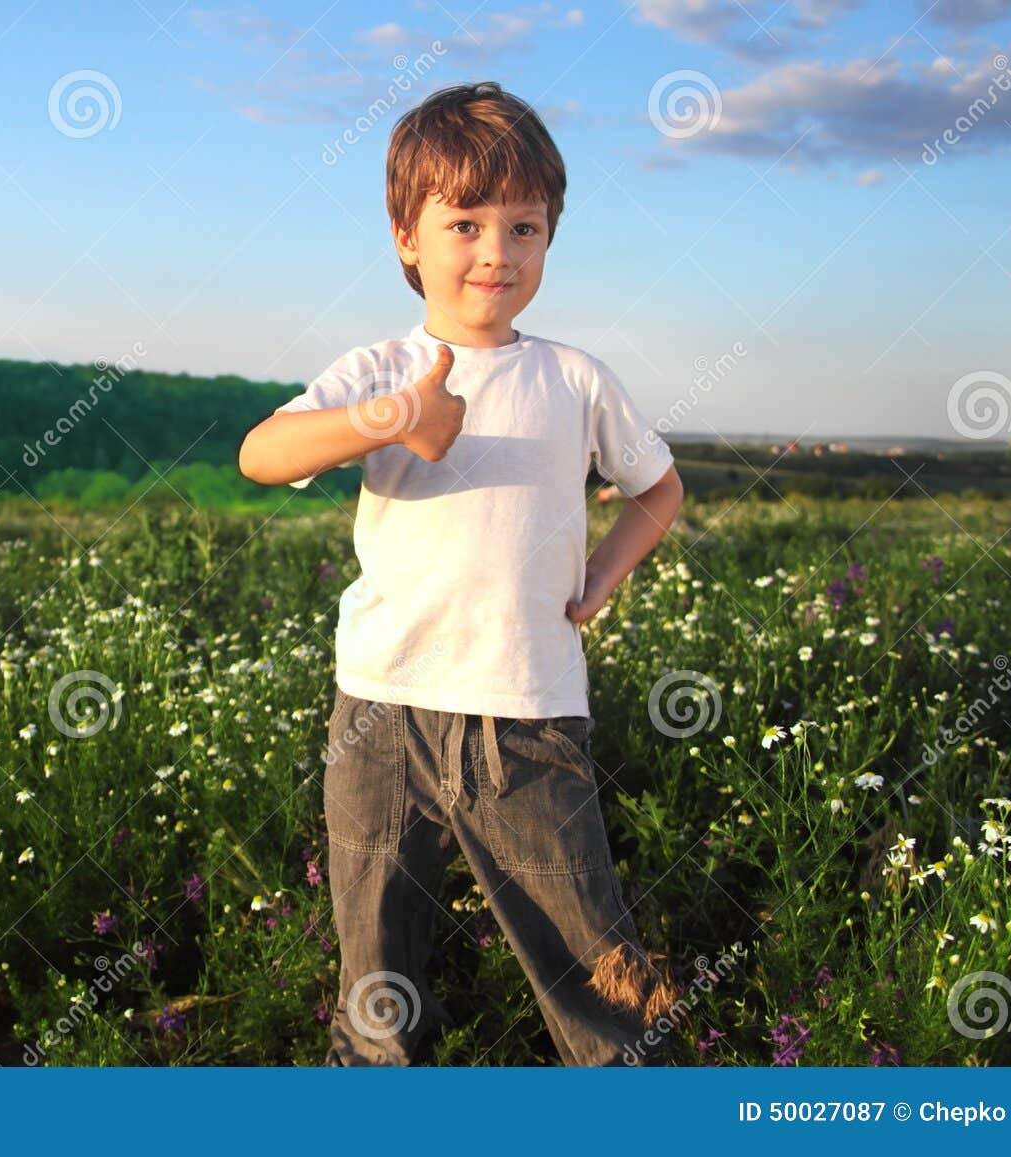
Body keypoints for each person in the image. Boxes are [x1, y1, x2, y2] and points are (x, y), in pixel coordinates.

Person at [238, 81, 686, 1066]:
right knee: (376, 964)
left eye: (524, 227)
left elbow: (657, 489)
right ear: (407, 236)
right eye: (466, 223)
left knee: (593, 959)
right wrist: (396, 416)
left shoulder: (575, 377)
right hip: (380, 711)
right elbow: (261, 453)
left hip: (525, 712)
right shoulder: (381, 369)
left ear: (550, 236)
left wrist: (603, 575)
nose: (497, 252)